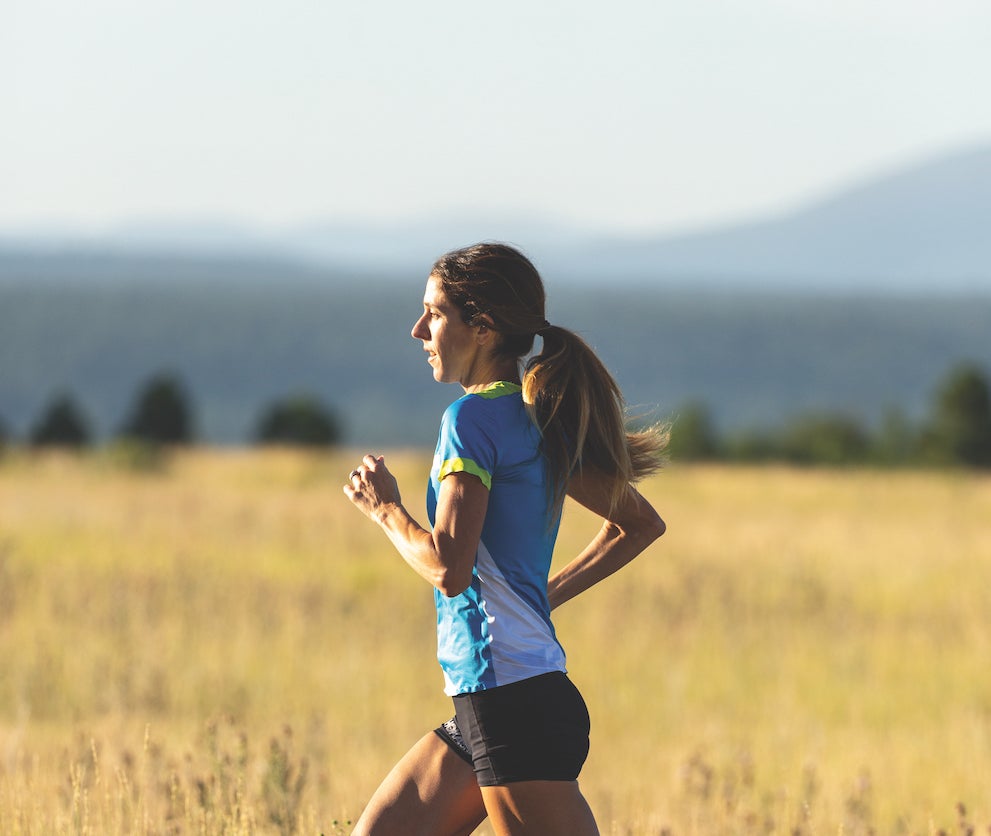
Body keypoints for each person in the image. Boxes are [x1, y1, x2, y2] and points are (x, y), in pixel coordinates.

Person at [344, 242, 667, 836]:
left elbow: (448, 567)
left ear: (483, 326)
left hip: (510, 699)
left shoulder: (469, 422)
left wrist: (385, 509)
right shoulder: (534, 419)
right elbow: (640, 525)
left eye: (435, 313)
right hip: (498, 699)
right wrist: (539, 598)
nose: (418, 329)